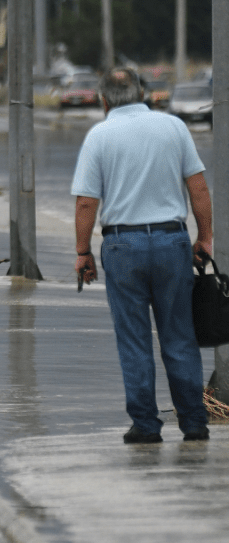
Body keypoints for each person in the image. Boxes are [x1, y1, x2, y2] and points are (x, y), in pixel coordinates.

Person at [71, 67, 212, 444]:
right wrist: (206, 238)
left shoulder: (99, 136)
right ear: (143, 93)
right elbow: (198, 188)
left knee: (133, 339)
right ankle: (194, 423)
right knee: (179, 335)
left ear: (103, 100)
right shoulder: (174, 128)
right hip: (171, 242)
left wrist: (83, 252)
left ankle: (147, 426)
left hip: (123, 247)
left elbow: (87, 203)